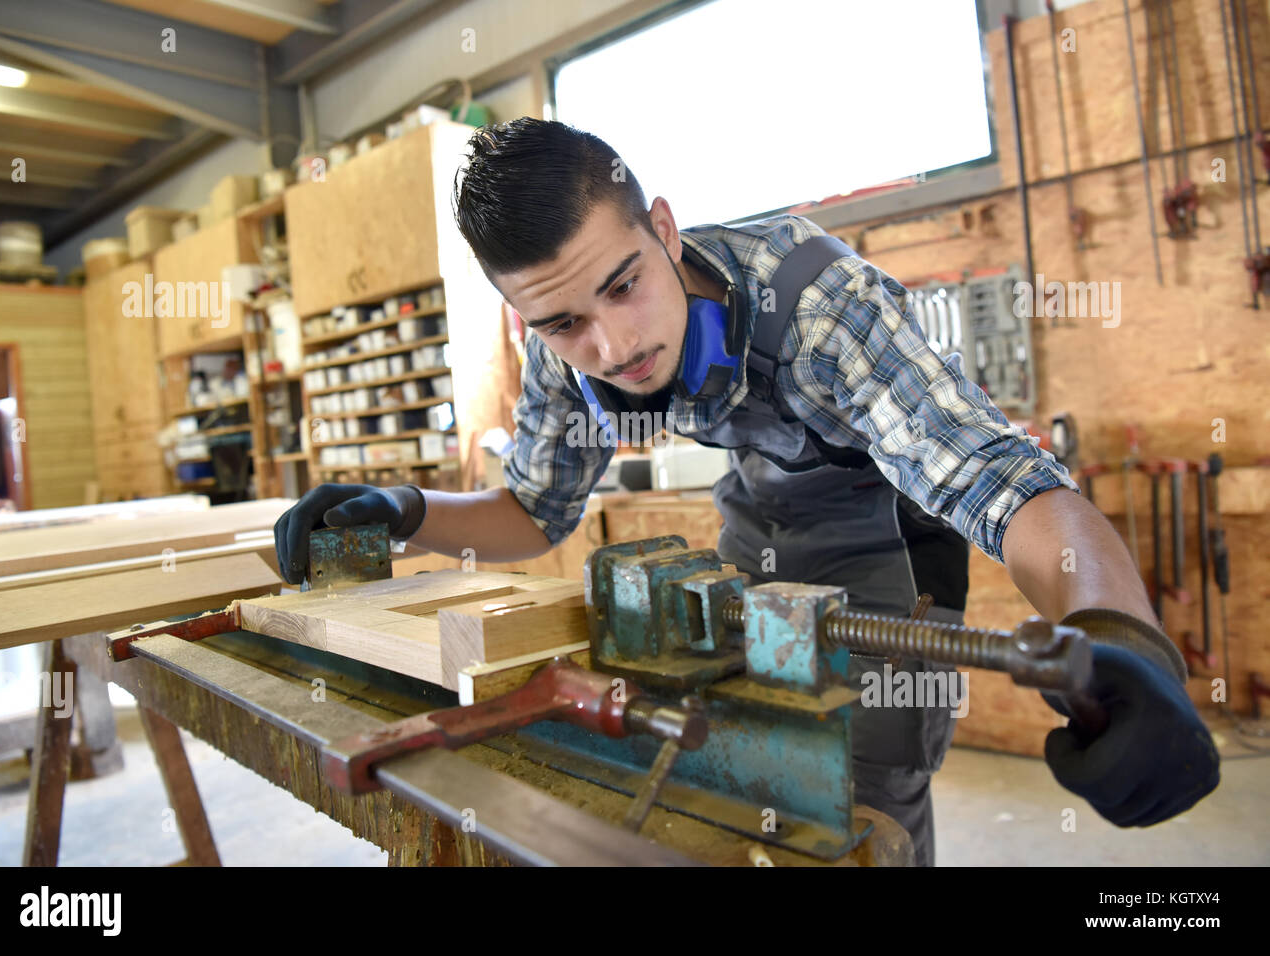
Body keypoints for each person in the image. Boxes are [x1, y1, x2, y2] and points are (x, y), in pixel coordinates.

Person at [275, 118, 1218, 866]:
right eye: (563, 322)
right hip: (760, 535)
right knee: (740, 769)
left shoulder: (821, 306)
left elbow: (1007, 484)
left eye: (623, 285)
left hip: (890, 541)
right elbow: (532, 511)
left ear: (666, 230)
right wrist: (405, 510)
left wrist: (1120, 639)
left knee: (867, 800)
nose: (610, 347)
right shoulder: (562, 350)